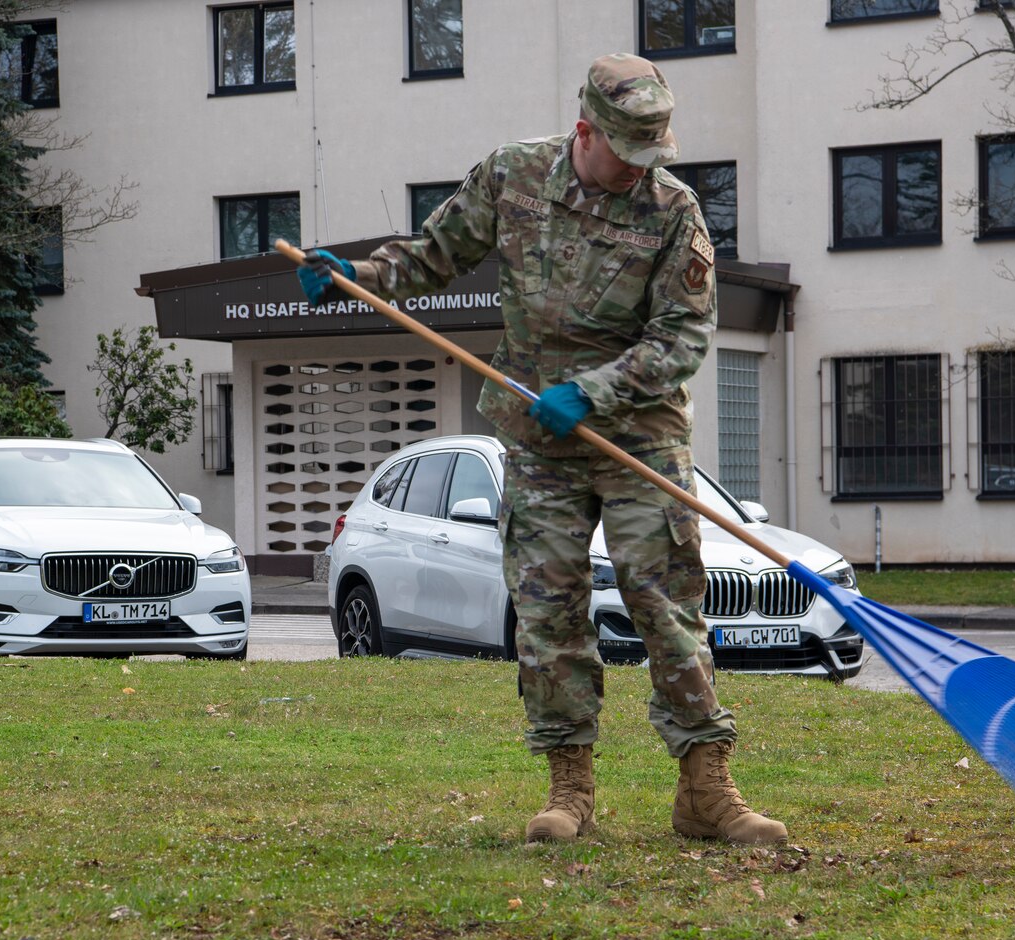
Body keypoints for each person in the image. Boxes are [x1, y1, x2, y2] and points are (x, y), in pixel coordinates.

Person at [297, 53, 787, 847]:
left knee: (665, 606)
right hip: (536, 433)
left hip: (638, 426)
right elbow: (432, 256)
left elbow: (686, 332)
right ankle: (571, 791)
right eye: (627, 155)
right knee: (548, 607)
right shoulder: (512, 176)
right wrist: (358, 274)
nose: (638, 172)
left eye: (651, 157)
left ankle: (706, 789)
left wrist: (594, 391)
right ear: (585, 131)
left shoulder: (673, 209)